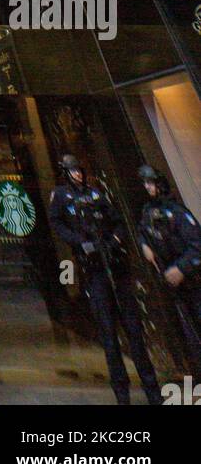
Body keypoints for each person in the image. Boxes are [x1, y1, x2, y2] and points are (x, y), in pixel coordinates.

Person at [49, 153, 161, 406]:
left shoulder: (96, 194)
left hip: (114, 265)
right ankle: (122, 393)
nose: (78, 174)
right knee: (109, 334)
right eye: (73, 171)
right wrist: (80, 243)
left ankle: (151, 389)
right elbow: (58, 224)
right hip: (94, 270)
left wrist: (115, 241)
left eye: (79, 170)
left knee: (134, 330)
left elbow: (117, 221)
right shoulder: (61, 196)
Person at [137, 163, 201, 370]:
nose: (148, 187)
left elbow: (197, 245)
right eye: (145, 183)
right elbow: (142, 231)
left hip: (192, 279)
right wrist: (145, 245)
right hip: (172, 283)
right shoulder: (148, 211)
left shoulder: (176, 212)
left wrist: (181, 268)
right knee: (189, 333)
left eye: (151, 182)